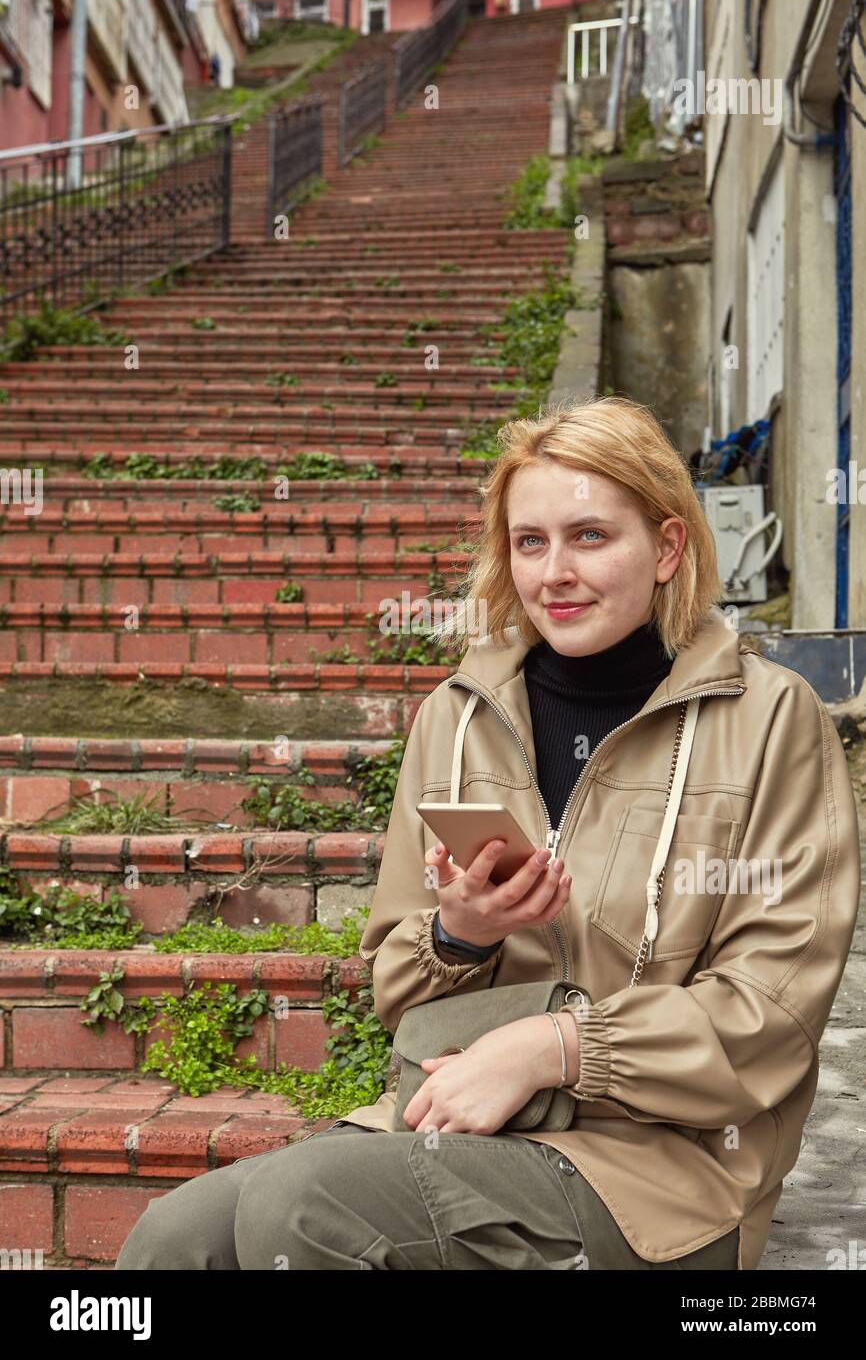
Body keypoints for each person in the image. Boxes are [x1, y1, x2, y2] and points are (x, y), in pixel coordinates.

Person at [116, 395, 860, 1271]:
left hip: (665, 1169)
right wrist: (456, 936)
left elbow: (770, 1016)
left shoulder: (772, 720)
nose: (554, 574)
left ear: (666, 548)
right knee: (174, 1244)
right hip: (468, 1118)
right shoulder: (457, 717)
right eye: (530, 541)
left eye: (590, 536)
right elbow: (398, 987)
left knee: (302, 1208)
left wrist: (555, 1048)